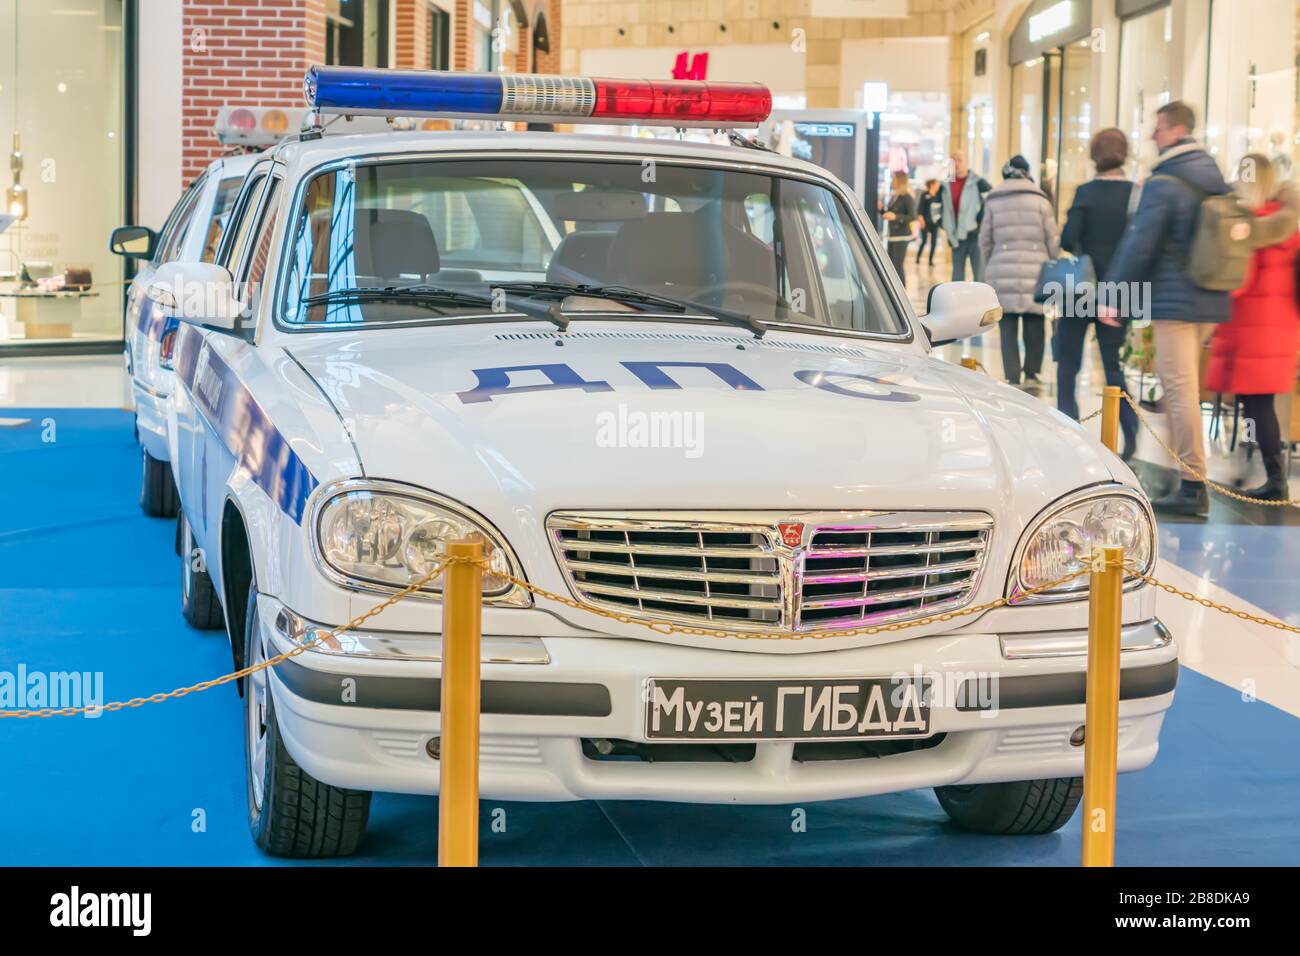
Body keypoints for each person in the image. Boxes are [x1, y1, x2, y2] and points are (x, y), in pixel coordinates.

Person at [1105, 101, 1233, 518]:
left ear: (1175, 130)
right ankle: (1189, 476)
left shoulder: (1167, 180)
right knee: (1184, 387)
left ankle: (1193, 483)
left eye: (1157, 129)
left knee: (1179, 389)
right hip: (1209, 296)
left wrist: (1113, 293)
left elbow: (1141, 241)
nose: (1152, 136)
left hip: (1176, 301)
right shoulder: (1211, 174)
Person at [1204, 154, 1300, 501]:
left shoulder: (1252, 226)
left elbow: (1240, 284)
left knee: (1257, 405)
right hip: (1280, 328)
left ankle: (1274, 478)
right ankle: (1253, 468)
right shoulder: (1287, 227)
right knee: (1255, 403)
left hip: (1253, 331)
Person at [1057, 128, 1139, 459]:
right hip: (1122, 288)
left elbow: (1067, 238)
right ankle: (1131, 434)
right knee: (1114, 365)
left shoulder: (1085, 192)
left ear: (1094, 156)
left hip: (1081, 287)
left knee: (1068, 362)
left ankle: (1067, 431)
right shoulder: (1137, 193)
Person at [979, 154, 1060, 389]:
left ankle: (1012, 376)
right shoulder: (1041, 201)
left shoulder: (994, 200)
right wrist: (1052, 262)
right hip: (1036, 270)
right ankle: (1032, 374)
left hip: (1001, 267)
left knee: (1008, 327)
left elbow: (985, 239)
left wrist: (991, 263)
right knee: (1035, 323)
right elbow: (1052, 238)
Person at [940, 151, 993, 282]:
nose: (956, 164)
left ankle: (981, 302)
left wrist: (979, 224)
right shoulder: (946, 184)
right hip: (956, 237)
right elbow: (936, 207)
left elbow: (992, 202)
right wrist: (944, 224)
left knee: (980, 276)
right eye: (953, 160)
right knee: (957, 277)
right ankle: (958, 302)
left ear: (967, 162)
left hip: (976, 237)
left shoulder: (978, 182)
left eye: (959, 160)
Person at [882, 170, 918, 284]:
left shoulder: (907, 197)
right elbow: (891, 214)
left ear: (899, 181)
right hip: (893, 236)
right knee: (891, 266)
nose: (892, 181)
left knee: (898, 266)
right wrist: (881, 210)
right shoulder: (895, 196)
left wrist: (896, 217)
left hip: (901, 236)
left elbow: (913, 216)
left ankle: (901, 294)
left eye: (893, 179)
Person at [915, 178, 943, 267]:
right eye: (936, 184)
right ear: (932, 185)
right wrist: (921, 221)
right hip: (925, 222)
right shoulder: (925, 195)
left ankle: (930, 261)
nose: (938, 185)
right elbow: (920, 210)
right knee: (924, 241)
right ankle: (918, 258)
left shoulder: (939, 195)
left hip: (935, 223)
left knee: (934, 243)